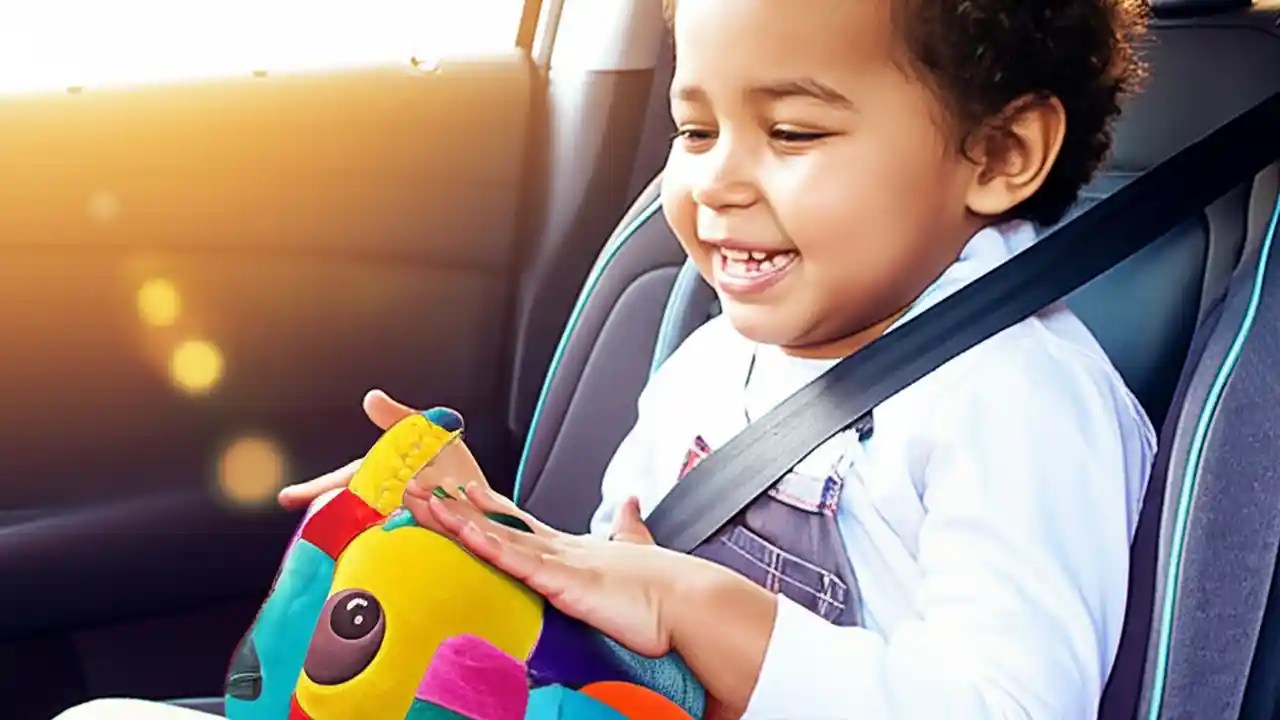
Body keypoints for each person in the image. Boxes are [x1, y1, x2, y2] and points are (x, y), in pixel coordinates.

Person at [56, 0, 1153, 717]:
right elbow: (615, 600)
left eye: (792, 133)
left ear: (999, 153)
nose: (714, 181)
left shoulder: (1015, 399)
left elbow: (1001, 706)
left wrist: (698, 609)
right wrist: (495, 535)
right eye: (695, 131)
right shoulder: (715, 361)